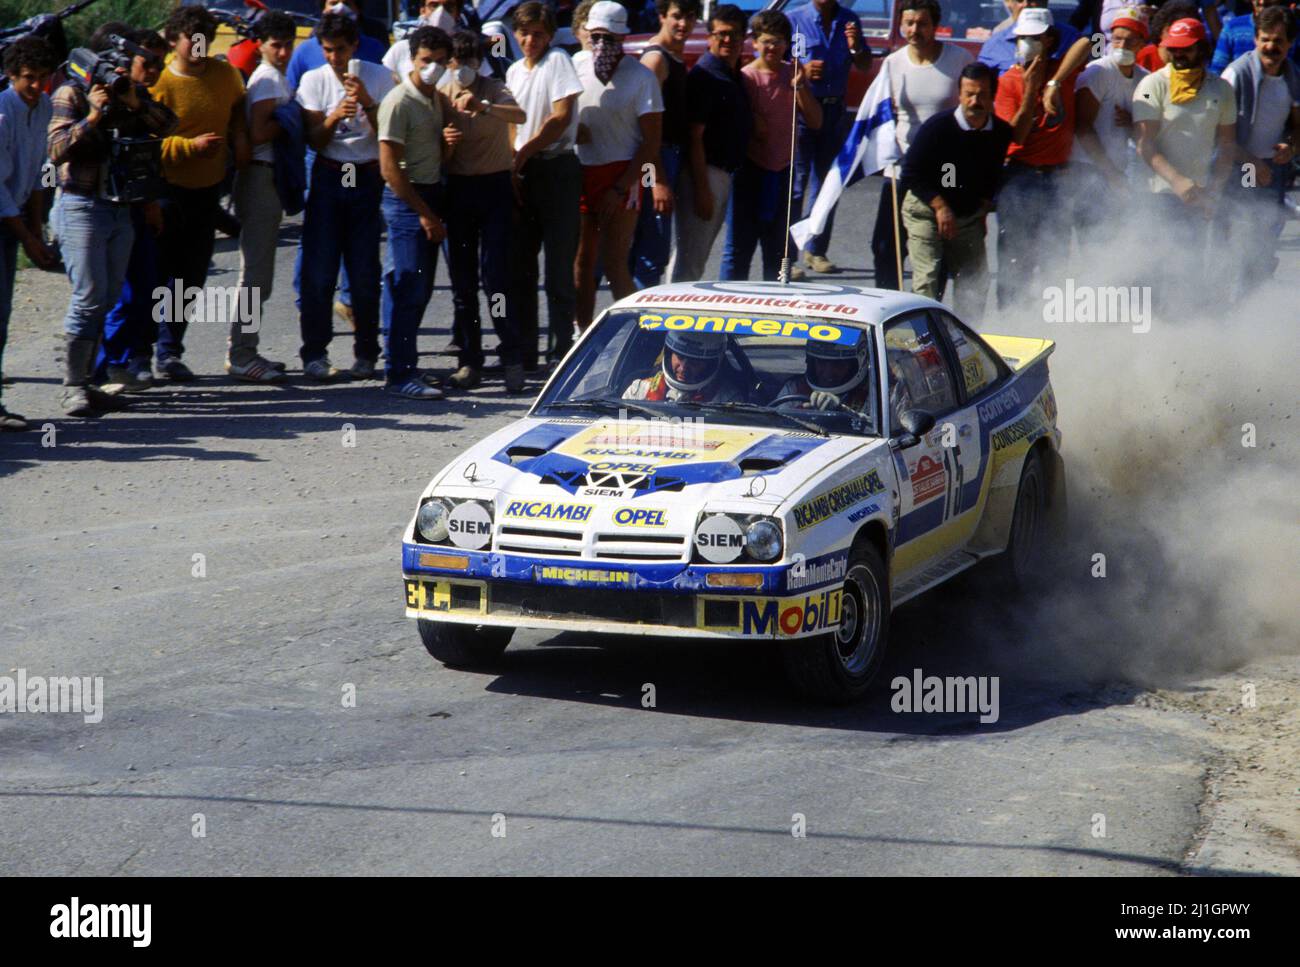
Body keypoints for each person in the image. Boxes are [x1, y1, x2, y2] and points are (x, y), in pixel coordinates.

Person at [48, 27, 176, 416]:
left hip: (121, 208)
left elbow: (169, 125)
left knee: (105, 297)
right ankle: (72, 387)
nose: (122, 74)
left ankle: (89, 383)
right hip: (81, 206)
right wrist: (94, 115)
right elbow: (56, 150)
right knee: (88, 297)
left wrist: (135, 104)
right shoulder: (71, 93)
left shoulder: (131, 96)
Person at [149, 5, 251, 381]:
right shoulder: (159, 85)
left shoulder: (225, 74)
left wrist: (240, 138)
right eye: (189, 41)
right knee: (158, 275)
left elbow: (238, 108)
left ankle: (170, 352)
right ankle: (138, 355)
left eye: (204, 40)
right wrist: (188, 147)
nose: (197, 48)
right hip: (164, 191)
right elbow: (143, 146)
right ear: (173, 41)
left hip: (207, 191)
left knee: (191, 277)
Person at [296, 10, 396, 381]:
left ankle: (366, 353)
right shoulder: (313, 80)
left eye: (340, 49)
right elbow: (314, 138)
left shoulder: (379, 75)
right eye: (327, 50)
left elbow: (389, 130)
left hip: (366, 174)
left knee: (364, 270)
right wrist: (335, 115)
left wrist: (368, 102)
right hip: (329, 173)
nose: (334, 57)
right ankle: (315, 353)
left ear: (355, 46)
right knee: (319, 271)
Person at [441, 31, 528, 393]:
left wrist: (483, 107)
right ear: (449, 63)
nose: (464, 68)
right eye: (458, 61)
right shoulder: (441, 95)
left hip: (493, 188)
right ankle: (469, 360)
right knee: (463, 283)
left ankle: (511, 357)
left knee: (496, 279)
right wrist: (444, 143)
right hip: (458, 189)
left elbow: (519, 114)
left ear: (481, 62)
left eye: (471, 60)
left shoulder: (493, 88)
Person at [377, 25, 459, 400]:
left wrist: (447, 146)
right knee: (406, 284)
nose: (433, 68)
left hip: (431, 195)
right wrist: (425, 214)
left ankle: (404, 364)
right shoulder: (399, 101)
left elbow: (435, 158)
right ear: (412, 58)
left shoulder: (435, 99)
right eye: (427, 61)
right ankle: (398, 373)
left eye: (441, 62)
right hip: (407, 202)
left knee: (419, 288)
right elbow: (390, 169)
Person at [1133, 17, 1236, 303]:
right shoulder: (1150, 84)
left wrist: (1213, 191)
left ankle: (1186, 339)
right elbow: (1145, 144)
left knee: (1189, 274)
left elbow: (1227, 145)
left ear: (1202, 49)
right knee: (1155, 274)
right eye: (1174, 48)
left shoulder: (1222, 89)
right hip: (1157, 195)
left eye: (1186, 49)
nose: (1179, 54)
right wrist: (1178, 182)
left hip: (1199, 197)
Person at [572, 1, 663, 328]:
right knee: (582, 263)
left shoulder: (641, 77)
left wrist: (619, 187)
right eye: (596, 36)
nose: (601, 45)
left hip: (622, 174)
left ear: (623, 39)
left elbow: (651, 143)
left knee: (614, 263)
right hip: (582, 172)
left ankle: (635, 335)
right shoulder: (576, 65)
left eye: (610, 38)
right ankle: (579, 334)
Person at [899, 62, 1013, 320]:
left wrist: (983, 210)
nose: (975, 101)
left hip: (967, 215)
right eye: (969, 94)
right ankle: (924, 344)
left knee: (976, 281)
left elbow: (992, 176)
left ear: (992, 95)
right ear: (959, 95)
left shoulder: (1001, 133)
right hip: (926, 209)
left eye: (982, 94)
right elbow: (911, 174)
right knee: (928, 278)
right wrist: (940, 206)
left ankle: (966, 340)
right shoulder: (937, 128)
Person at [874, 0, 972, 290]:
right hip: (901, 169)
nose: (915, 29)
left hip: (945, 170)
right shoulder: (893, 63)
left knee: (936, 249)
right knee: (885, 247)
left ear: (935, 25)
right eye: (909, 23)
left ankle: (931, 315)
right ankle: (888, 311)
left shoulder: (960, 60)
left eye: (922, 23)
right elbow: (881, 113)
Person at [992, 6, 1085, 308]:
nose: (1027, 43)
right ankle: (1009, 319)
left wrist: (1053, 84)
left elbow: (1090, 41)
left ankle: (1046, 319)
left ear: (1049, 40)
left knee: (1054, 257)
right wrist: (1032, 89)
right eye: (1023, 37)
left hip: (1057, 178)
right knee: (1015, 257)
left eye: (1035, 37)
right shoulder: (1008, 81)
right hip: (1020, 175)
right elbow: (1015, 137)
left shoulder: (1064, 73)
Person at [508, 1, 583, 368]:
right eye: (523, 33)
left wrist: (527, 149)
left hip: (557, 167)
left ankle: (558, 352)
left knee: (558, 268)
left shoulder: (558, 62)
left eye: (537, 33)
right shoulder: (512, 72)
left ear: (550, 35)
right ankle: (524, 351)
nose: (530, 40)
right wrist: (513, 160)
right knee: (522, 266)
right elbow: (511, 120)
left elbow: (561, 116)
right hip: (524, 169)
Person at [720, 9, 821, 281]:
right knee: (738, 249)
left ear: (787, 44)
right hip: (749, 172)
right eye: (765, 41)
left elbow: (815, 121)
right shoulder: (746, 77)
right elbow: (745, 128)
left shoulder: (793, 73)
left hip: (782, 172)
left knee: (778, 252)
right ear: (754, 43)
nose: (772, 47)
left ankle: (775, 308)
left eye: (778, 41)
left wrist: (800, 88)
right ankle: (727, 308)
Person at [96, 28, 170, 394]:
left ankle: (119, 364)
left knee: (141, 291)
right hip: (98, 208)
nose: (154, 70)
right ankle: (96, 371)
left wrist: (135, 102)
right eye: (148, 62)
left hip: (136, 206)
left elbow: (167, 124)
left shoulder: (140, 99)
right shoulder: (90, 94)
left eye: (159, 63)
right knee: (106, 294)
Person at [228, 12, 297, 384]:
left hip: (266, 179)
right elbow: (258, 133)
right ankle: (242, 354)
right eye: (276, 45)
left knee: (259, 274)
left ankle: (244, 347)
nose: (283, 52)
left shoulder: (274, 76)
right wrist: (289, 117)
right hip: (259, 177)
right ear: (262, 45)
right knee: (255, 275)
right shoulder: (268, 79)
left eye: (288, 44)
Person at [786, 0, 872, 273]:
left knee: (829, 182)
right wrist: (803, 71)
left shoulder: (849, 20)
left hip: (834, 111)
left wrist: (856, 46)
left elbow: (865, 63)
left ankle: (815, 250)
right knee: (796, 184)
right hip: (802, 108)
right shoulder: (793, 19)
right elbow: (775, 59)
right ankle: (787, 255)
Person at [1220, 6, 1300, 292]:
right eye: (1265, 38)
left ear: (1290, 44)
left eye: (1278, 41)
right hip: (1240, 168)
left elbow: (1297, 127)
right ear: (1255, 39)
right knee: (1244, 231)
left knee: (1264, 238)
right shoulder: (1236, 74)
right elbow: (1222, 135)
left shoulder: (1293, 77)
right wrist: (1252, 164)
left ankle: (1254, 302)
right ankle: (1230, 304)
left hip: (1273, 169)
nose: (1271, 46)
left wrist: (1290, 147)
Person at [667, 2, 746, 283]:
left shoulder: (731, 72)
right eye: (720, 33)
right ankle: (673, 325)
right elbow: (694, 136)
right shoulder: (706, 75)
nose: (727, 40)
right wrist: (702, 190)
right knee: (690, 262)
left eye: (734, 34)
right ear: (710, 36)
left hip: (722, 174)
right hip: (704, 175)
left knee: (690, 257)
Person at [0, 37, 56, 432]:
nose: (36, 85)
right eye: (28, 78)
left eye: (42, 77)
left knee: (2, 316)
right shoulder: (2, 113)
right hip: (3, 215)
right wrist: (28, 238)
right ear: (10, 76)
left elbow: (37, 173)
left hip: (14, 216)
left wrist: (37, 229)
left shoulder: (45, 107)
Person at [629, 0, 700, 290]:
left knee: (652, 249)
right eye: (676, 16)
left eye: (690, 17)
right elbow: (644, 127)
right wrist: (656, 179)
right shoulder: (656, 60)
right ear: (661, 16)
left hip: (670, 156)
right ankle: (640, 326)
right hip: (656, 159)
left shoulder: (674, 56)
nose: (683, 23)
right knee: (651, 250)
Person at [1074, 9, 1150, 193]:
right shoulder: (1098, 72)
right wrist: (1111, 173)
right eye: (1117, 38)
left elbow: (1146, 125)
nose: (1122, 45)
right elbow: (1082, 126)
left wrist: (1133, 122)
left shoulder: (1145, 79)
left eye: (1130, 40)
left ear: (1142, 43)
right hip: (1088, 167)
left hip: (1120, 168)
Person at [623, 330, 746, 402]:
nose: (683, 368)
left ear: (710, 364)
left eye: (695, 361)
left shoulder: (727, 401)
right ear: (669, 354)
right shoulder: (639, 390)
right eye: (680, 357)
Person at [978, 0, 1082, 74]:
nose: (1026, 4)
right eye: (1019, 0)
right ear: (1008, 2)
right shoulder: (994, 45)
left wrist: (1055, 82)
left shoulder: (1071, 37)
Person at [775, 338, 872, 412]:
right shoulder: (794, 388)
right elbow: (775, 421)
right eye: (821, 362)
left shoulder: (872, 393)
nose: (828, 372)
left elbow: (873, 428)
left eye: (837, 364)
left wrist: (842, 410)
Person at [1211, 0, 1299, 73]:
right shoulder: (1232, 28)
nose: (1262, 1)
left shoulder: (1293, 28)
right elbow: (1217, 71)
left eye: (1278, 40)